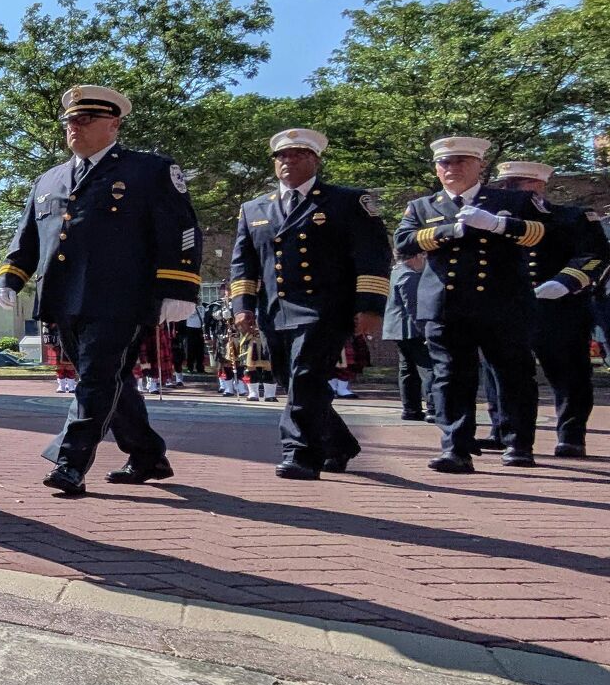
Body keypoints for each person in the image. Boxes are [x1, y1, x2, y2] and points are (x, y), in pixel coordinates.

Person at [0, 85, 200, 497]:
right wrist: (10, 278)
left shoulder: (150, 171)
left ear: (114, 124)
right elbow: (27, 240)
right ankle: (147, 454)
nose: (74, 127)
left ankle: (70, 461)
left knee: (97, 377)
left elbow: (181, 230)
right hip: (63, 297)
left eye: (85, 120)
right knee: (108, 378)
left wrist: (180, 288)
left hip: (121, 297)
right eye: (70, 120)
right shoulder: (49, 179)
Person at [226, 128, 391, 480]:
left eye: (298, 155)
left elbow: (372, 256)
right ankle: (340, 443)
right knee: (293, 379)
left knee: (306, 376)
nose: (288, 161)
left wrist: (370, 306)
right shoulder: (254, 208)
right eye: (281, 156)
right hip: (277, 308)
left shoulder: (346, 202)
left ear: (315, 160)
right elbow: (244, 262)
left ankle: (299, 452)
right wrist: (243, 304)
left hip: (326, 308)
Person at [394, 136, 545, 472]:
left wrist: (498, 224)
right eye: (445, 163)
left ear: (480, 166)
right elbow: (403, 241)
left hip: (503, 303)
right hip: (446, 305)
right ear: (436, 168)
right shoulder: (423, 206)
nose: (452, 168)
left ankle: (518, 443)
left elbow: (542, 233)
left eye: (461, 161)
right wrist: (449, 231)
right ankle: (455, 447)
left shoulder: (513, 200)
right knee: (450, 376)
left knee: (513, 375)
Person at [488, 160, 606, 458]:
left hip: (557, 306)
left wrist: (565, 282)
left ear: (540, 186)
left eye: (517, 185)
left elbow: (595, 256)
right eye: (504, 185)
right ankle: (503, 431)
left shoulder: (572, 217)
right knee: (501, 373)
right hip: (507, 307)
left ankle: (571, 434)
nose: (508, 191)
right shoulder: (490, 219)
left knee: (568, 371)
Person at [385, 251, 434, 421]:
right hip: (410, 329)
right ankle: (433, 407)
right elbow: (413, 307)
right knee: (427, 367)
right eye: (422, 256)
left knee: (407, 369)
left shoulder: (394, 272)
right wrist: (424, 329)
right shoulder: (409, 275)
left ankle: (411, 408)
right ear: (413, 257)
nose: (423, 260)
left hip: (397, 329)